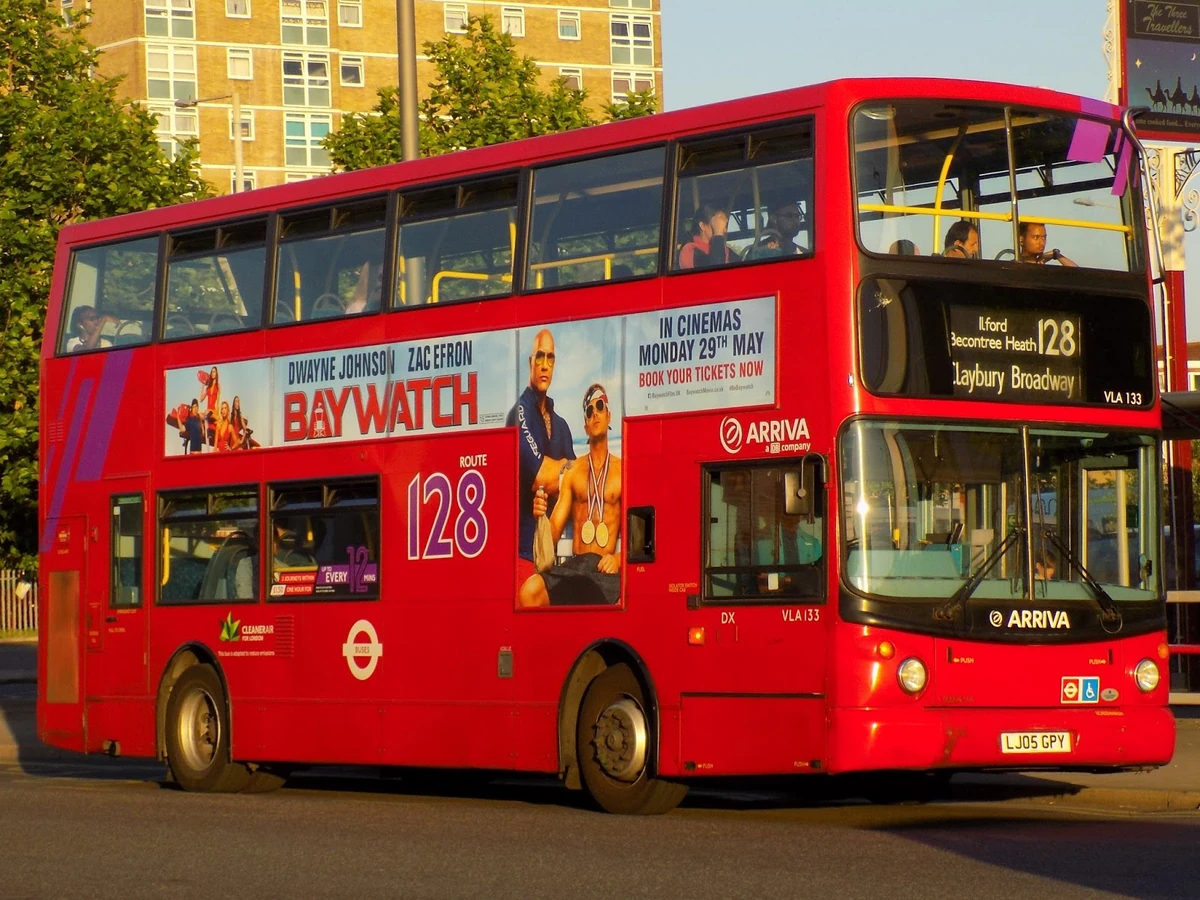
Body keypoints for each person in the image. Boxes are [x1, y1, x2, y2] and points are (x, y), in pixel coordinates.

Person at [519, 383, 622, 607]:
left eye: (600, 407)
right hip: (577, 566)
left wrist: (617, 559)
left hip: (605, 571)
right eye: (589, 411)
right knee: (529, 592)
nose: (595, 414)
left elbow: (640, 535)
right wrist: (540, 517)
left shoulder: (623, 471)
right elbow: (555, 529)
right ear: (585, 426)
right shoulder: (573, 471)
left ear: (609, 416)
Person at [506, 329, 575, 582]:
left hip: (553, 557)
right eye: (540, 356)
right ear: (530, 361)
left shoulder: (561, 425)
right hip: (524, 555)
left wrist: (563, 477)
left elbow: (579, 489)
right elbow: (541, 475)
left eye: (550, 358)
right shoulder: (519, 413)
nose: (545, 365)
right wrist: (568, 471)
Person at [678, 203, 733, 269]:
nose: (724, 230)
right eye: (716, 225)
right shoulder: (690, 250)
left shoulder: (726, 250)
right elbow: (716, 271)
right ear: (702, 226)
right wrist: (718, 233)